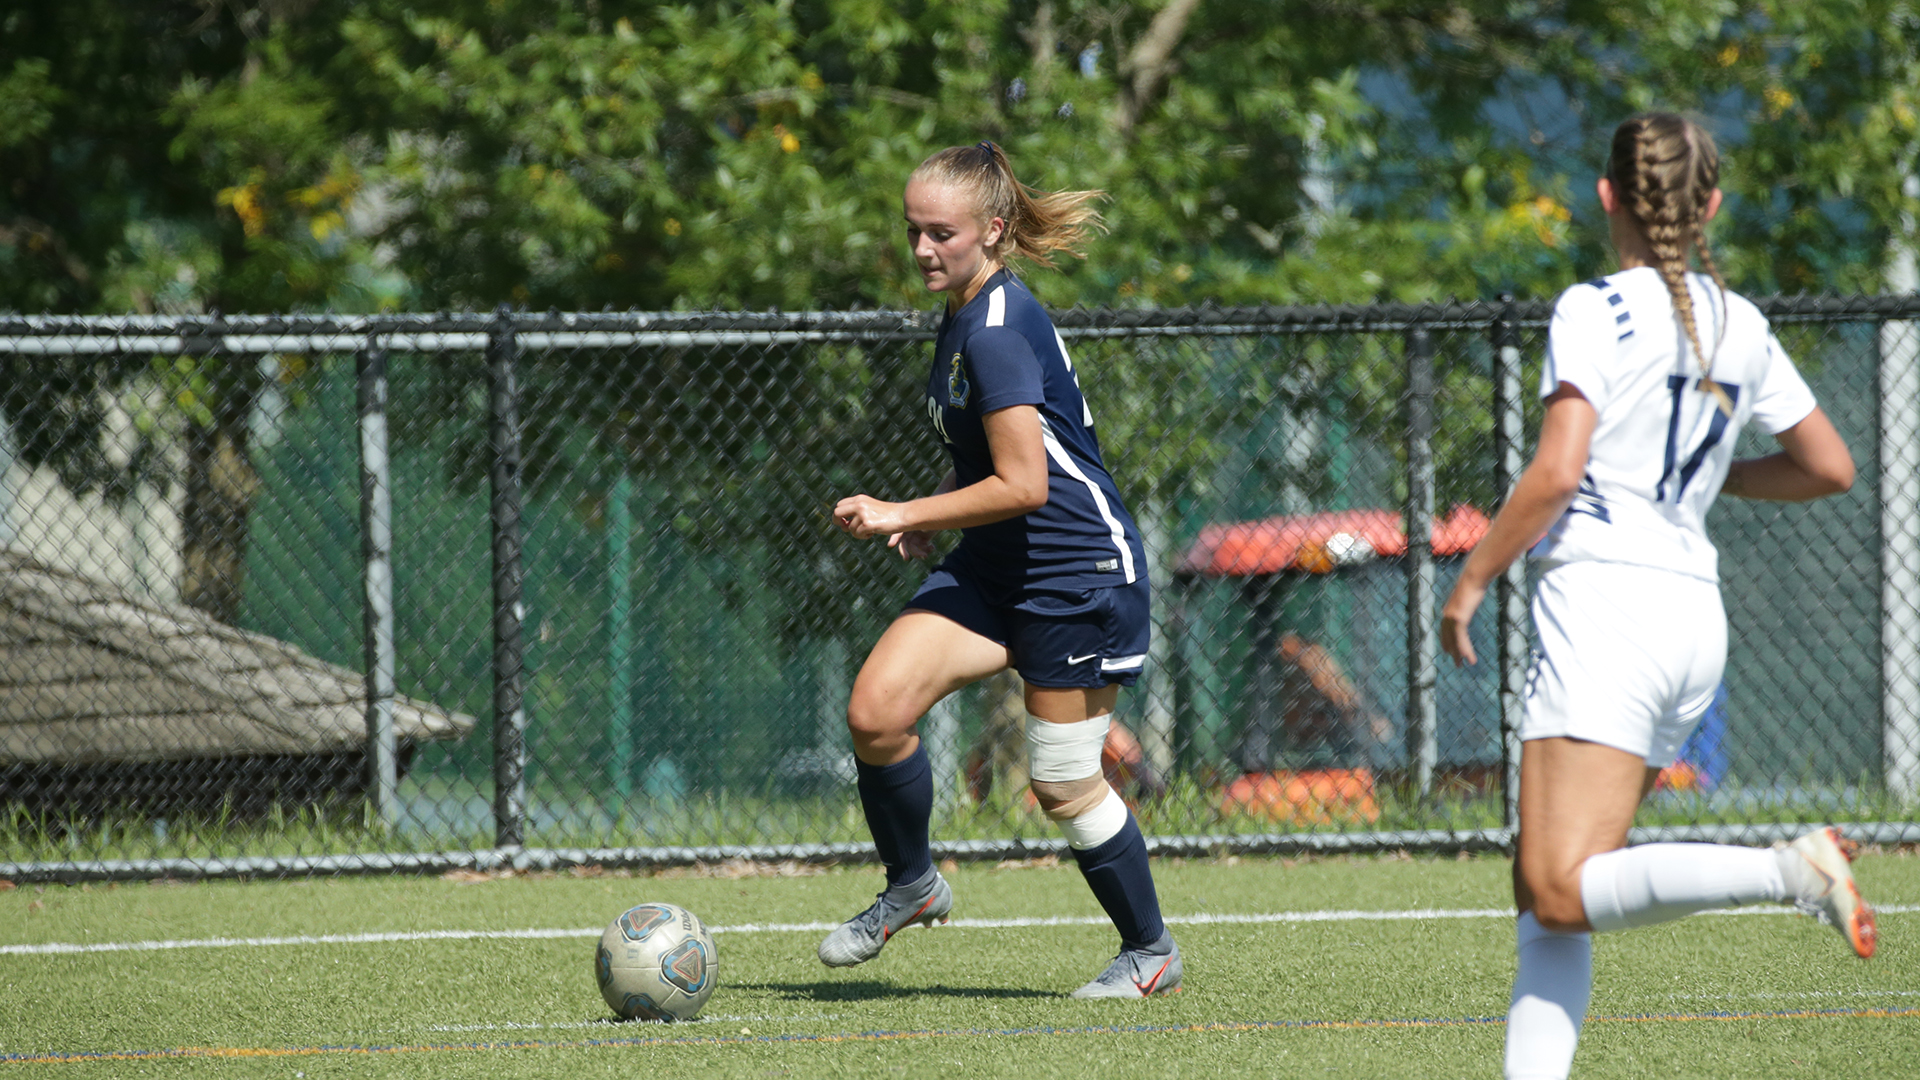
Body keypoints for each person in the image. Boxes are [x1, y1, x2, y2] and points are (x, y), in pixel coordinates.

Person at [1440, 112, 1872, 1080]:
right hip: (1689, 619)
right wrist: (1717, 482)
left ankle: (1787, 871)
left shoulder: (1593, 309)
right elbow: (1829, 466)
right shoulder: (1741, 322)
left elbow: (1556, 474)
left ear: (1607, 197)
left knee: (1558, 887)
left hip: (1607, 608)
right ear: (1710, 204)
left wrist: (1470, 580)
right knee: (1550, 891)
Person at [820, 141, 1179, 998]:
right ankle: (913, 885)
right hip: (996, 568)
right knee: (876, 711)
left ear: (992, 228)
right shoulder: (967, 313)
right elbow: (992, 453)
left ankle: (1150, 952)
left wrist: (905, 512)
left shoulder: (993, 331)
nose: (921, 250)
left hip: (1076, 574)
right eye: (913, 231)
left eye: (939, 232)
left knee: (1062, 783)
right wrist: (937, 506)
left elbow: (1026, 482)